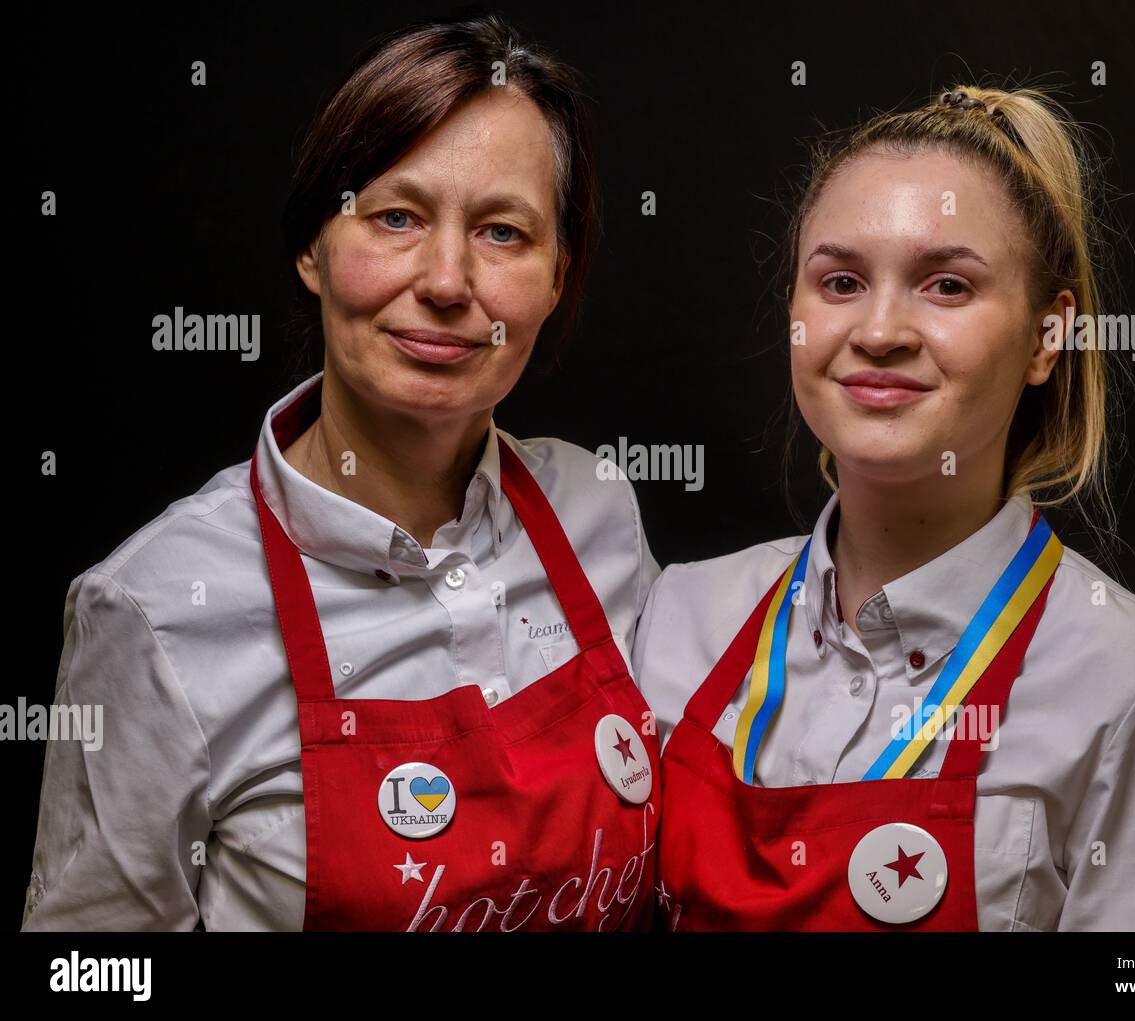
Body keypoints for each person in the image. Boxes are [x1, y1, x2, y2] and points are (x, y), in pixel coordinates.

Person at [23, 15, 661, 932]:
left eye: (503, 232)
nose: (448, 279)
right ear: (312, 247)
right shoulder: (152, 609)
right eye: (395, 216)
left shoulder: (597, 510)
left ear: (559, 274)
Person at [633, 85, 1135, 931]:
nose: (881, 329)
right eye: (842, 280)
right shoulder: (676, 614)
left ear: (1048, 336)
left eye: (948, 286)